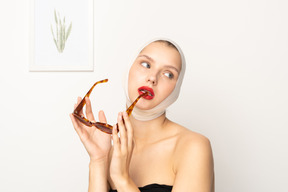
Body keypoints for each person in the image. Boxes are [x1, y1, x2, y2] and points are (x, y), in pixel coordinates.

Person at [70, 38, 214, 192]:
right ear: (128, 69)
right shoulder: (110, 152)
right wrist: (98, 161)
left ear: (176, 89)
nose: (153, 78)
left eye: (168, 74)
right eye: (146, 65)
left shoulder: (193, 147)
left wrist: (122, 179)